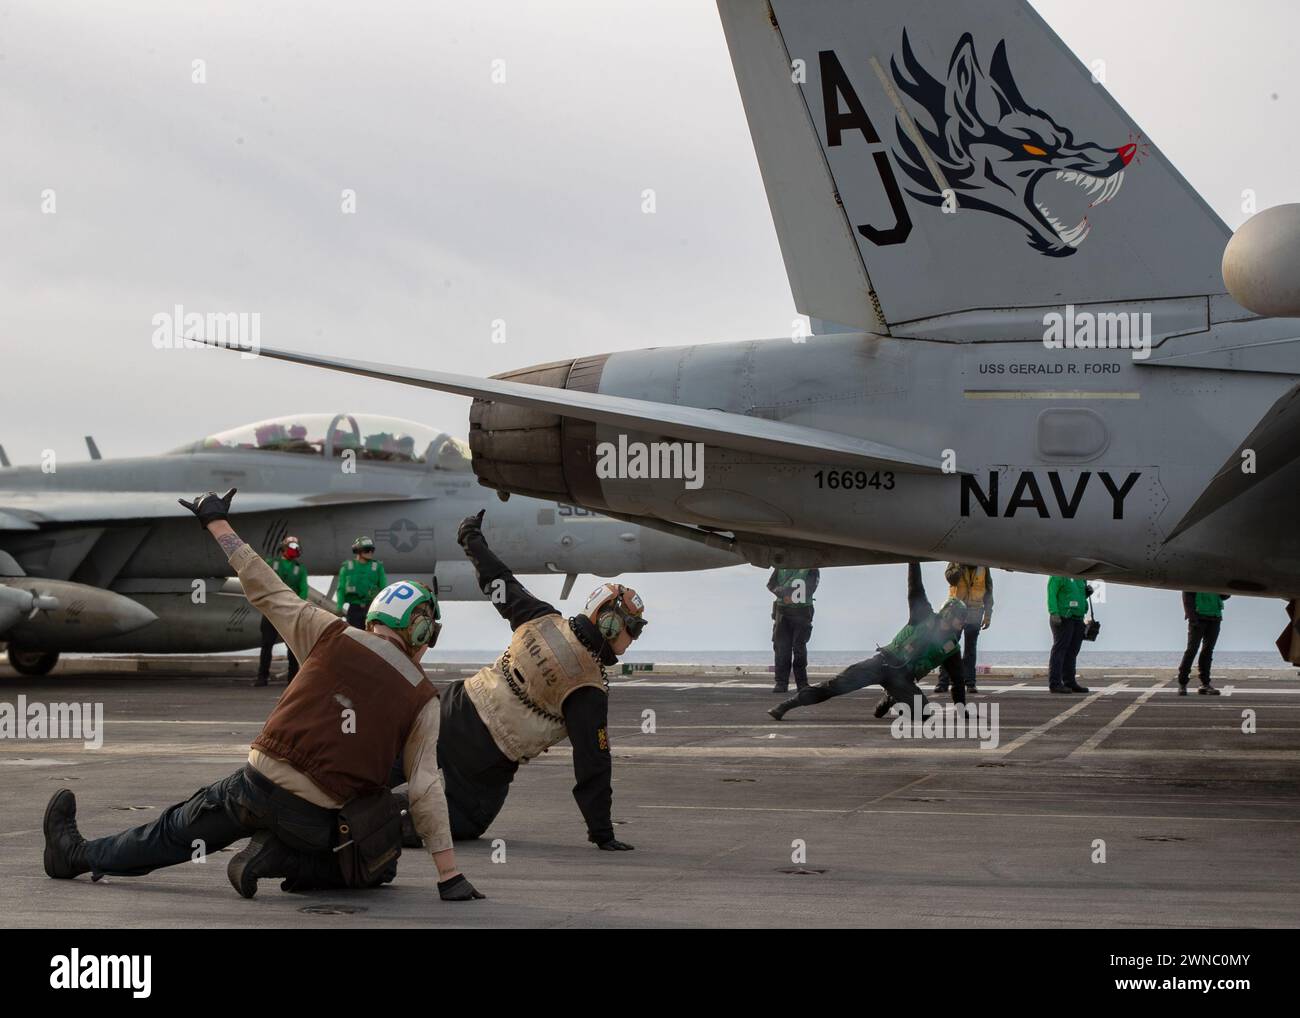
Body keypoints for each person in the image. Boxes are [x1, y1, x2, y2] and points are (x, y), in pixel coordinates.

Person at [42, 489, 483, 902]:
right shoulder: (423, 697)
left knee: (170, 834)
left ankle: (77, 855)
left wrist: (216, 522)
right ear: (421, 632)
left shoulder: (327, 632)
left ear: (376, 617)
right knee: (378, 855)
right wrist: (449, 877)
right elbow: (426, 788)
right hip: (315, 821)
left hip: (255, 786)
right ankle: (280, 857)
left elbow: (263, 585)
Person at [433, 509, 640, 850]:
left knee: (383, 769)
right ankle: (374, 827)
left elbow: (496, 581)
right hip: (486, 759)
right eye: (632, 628)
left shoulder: (542, 617)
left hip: (450, 709)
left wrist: (470, 537)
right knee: (459, 823)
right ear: (610, 624)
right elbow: (593, 764)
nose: (633, 638)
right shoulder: (587, 687)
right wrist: (602, 833)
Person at [768, 562, 966, 721]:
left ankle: (892, 697)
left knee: (923, 714)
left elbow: (957, 682)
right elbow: (915, 586)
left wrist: (962, 711)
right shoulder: (923, 615)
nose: (962, 622)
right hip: (882, 664)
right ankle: (787, 705)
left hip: (903, 680)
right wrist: (914, 559)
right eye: (960, 617)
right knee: (835, 685)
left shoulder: (951, 648)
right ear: (949, 614)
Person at [256, 534, 309, 687]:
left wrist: (299, 606)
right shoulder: (272, 564)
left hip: (290, 612)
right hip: (272, 610)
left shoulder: (300, 569)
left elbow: (303, 590)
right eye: (292, 547)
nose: (295, 550)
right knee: (267, 644)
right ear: (284, 548)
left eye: (296, 547)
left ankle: (293, 679)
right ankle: (262, 677)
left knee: (292, 647)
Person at [937, 563, 993, 696]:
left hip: (975, 611)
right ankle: (943, 682)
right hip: (955, 610)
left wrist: (988, 615)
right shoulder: (955, 561)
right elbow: (951, 579)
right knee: (948, 646)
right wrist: (959, 567)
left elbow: (989, 590)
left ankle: (970, 683)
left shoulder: (983, 565)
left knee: (970, 649)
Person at [767, 567, 820, 693]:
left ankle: (802, 683)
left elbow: (810, 588)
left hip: (802, 612)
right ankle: (781, 683)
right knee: (781, 649)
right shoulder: (780, 567)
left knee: (799, 648)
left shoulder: (812, 568)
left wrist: (790, 595)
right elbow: (771, 584)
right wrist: (782, 593)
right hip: (782, 612)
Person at [1047, 575, 1092, 693]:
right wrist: (1053, 612)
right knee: (1060, 650)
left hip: (1078, 618)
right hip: (1063, 617)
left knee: (1072, 651)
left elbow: (1077, 595)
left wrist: (1087, 594)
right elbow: (1051, 593)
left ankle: (1070, 682)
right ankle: (1055, 683)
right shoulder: (1058, 574)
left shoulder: (1080, 577)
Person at [1178, 592, 1228, 695]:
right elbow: (1187, 596)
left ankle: (1205, 684)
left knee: (1207, 651)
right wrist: (1192, 617)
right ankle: (1182, 684)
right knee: (1192, 650)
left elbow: (1224, 596)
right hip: (1198, 617)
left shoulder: (1216, 577)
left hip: (1215, 616)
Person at [337, 536, 388, 629]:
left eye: (372, 550)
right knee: (354, 638)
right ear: (358, 551)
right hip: (354, 610)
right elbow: (341, 589)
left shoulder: (377, 567)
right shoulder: (347, 567)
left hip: (372, 609)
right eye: (367, 550)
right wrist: (339, 608)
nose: (370, 552)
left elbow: (384, 588)